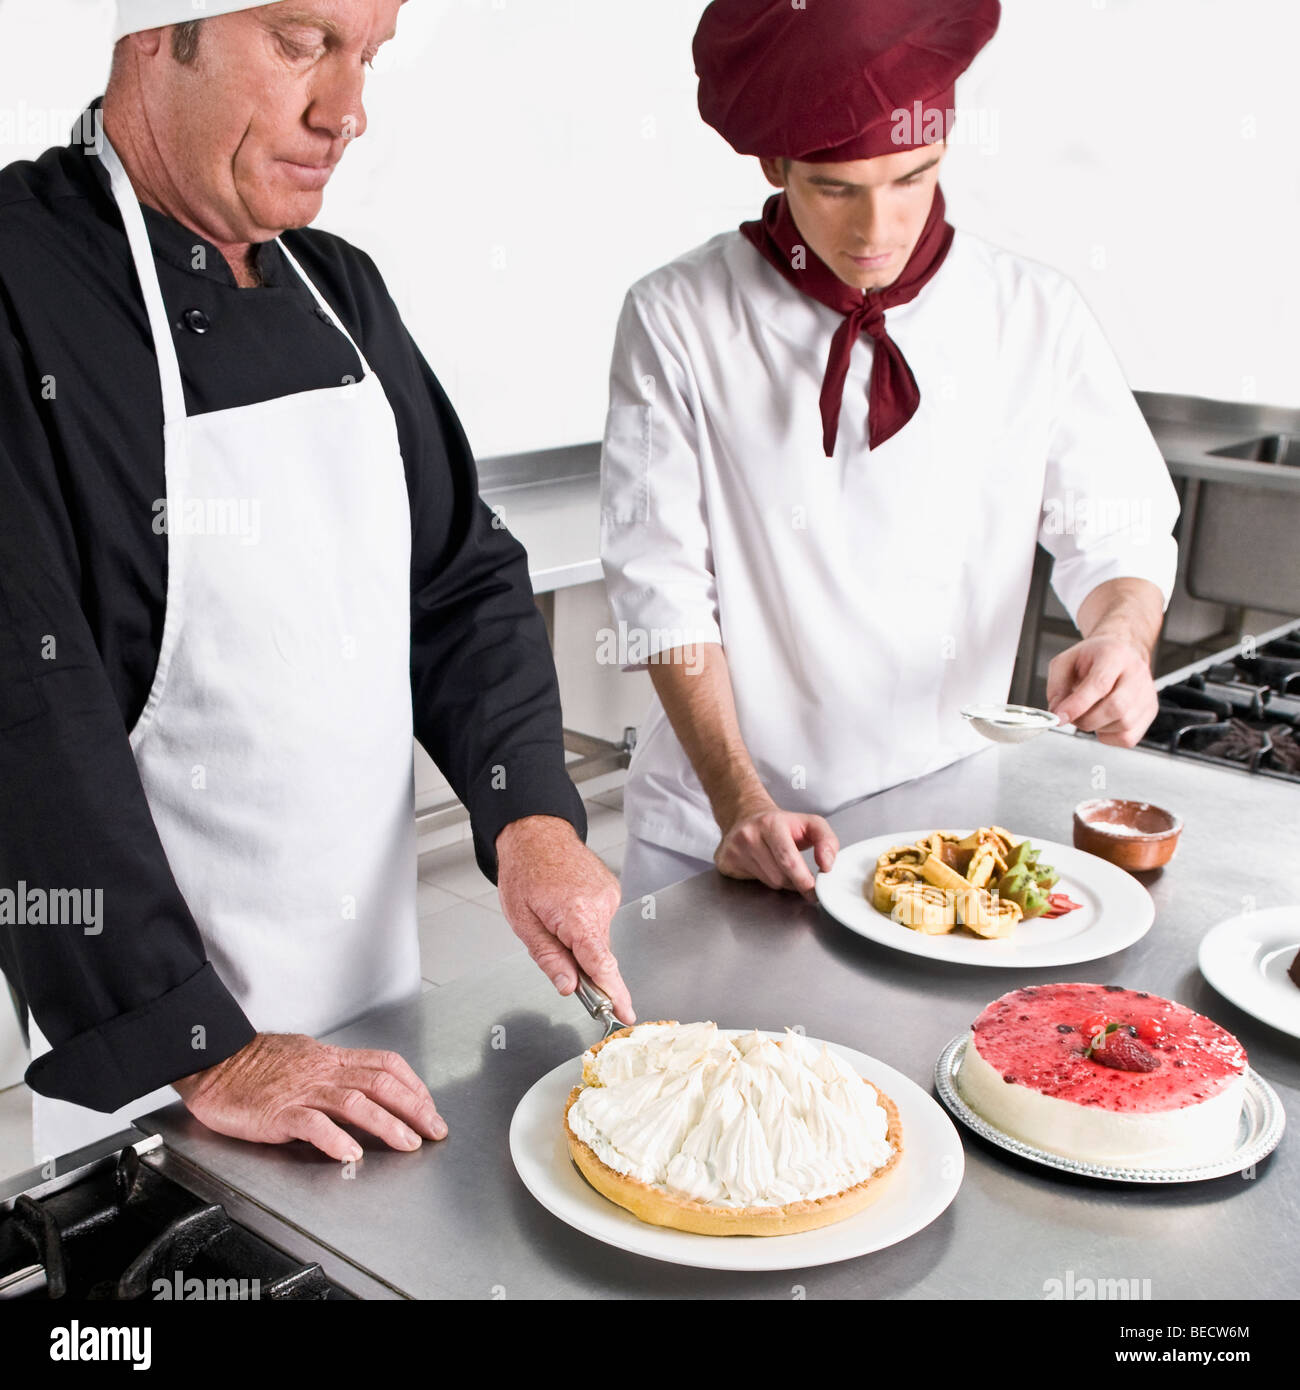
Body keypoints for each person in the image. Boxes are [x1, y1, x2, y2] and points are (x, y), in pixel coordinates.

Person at [0, 0, 631, 1163]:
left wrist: (528, 812)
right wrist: (206, 1049)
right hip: (169, 1085)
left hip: (370, 1038)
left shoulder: (338, 290)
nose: (347, 113)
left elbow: (456, 580)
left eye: (367, 57)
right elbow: (27, 709)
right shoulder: (16, 283)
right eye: (301, 44)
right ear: (157, 33)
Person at [600, 0, 1179, 902]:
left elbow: (1119, 537)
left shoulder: (1032, 315)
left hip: (940, 831)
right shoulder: (678, 316)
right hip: (717, 834)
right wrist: (739, 800)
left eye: (913, 177)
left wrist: (1119, 637)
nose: (878, 229)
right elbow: (662, 588)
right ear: (774, 163)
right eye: (837, 188)